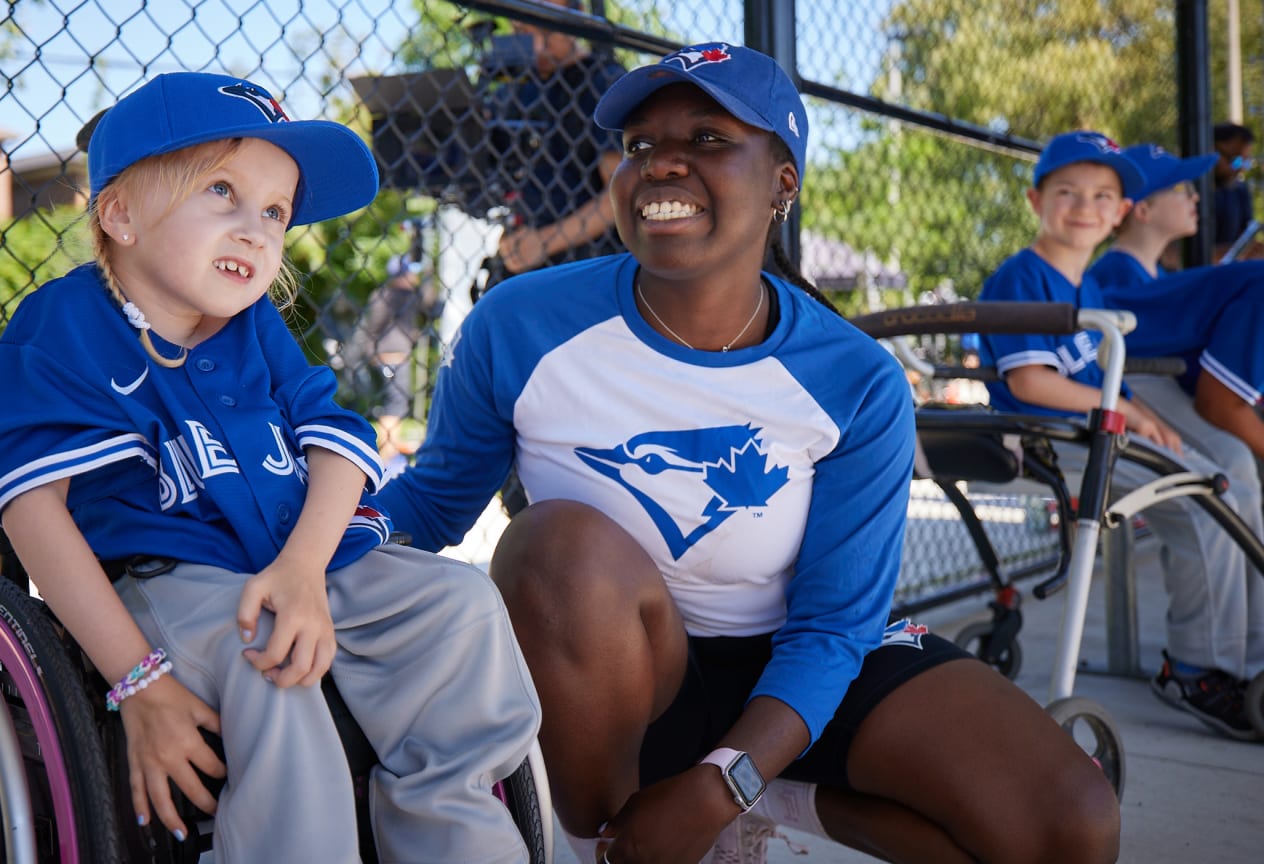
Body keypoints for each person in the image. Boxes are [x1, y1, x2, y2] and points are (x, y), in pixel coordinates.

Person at [381, 44, 1120, 864]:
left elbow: (836, 627)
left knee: (1070, 826)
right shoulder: (520, 322)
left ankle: (763, 797)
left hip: (804, 669)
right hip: (630, 684)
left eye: (706, 139)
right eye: (638, 147)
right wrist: (289, 551)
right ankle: (603, 833)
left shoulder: (855, 379)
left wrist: (723, 782)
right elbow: (432, 505)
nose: (661, 163)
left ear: (783, 184)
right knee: (557, 548)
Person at [0, 72, 540, 862]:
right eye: (222, 192)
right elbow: (33, 512)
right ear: (120, 213)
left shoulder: (253, 324)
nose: (256, 231)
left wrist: (307, 569)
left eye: (274, 212)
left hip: (305, 566)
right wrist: (138, 684)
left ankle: (451, 828)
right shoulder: (64, 322)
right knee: (270, 663)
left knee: (462, 604)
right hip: (169, 578)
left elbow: (341, 448)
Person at [979, 131, 1264, 742]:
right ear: (1035, 201)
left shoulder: (1092, 287)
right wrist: (1129, 415)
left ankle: (1242, 660)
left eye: (1101, 195)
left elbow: (1101, 374)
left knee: (1219, 484)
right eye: (1067, 192)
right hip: (1050, 439)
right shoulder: (1022, 275)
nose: (1084, 206)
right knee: (1198, 505)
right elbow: (1032, 382)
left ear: (1118, 212)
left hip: (1093, 432)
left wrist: (1143, 414)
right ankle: (1198, 669)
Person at [1089, 143, 1264, 463]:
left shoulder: (1155, 273)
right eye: (1182, 189)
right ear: (1141, 210)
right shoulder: (1116, 271)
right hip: (1128, 387)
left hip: (1160, 389)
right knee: (1231, 459)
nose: (1196, 197)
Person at [486, 0, 627, 276]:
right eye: (521, 30)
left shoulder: (604, 82)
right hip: (525, 260)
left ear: (577, 20)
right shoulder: (514, 90)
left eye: (548, 32)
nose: (537, 46)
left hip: (591, 264)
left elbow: (620, 192)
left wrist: (544, 242)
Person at [351, 252, 441, 466]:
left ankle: (388, 453)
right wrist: (371, 351)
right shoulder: (386, 295)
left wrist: (428, 279)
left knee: (397, 403)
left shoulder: (409, 296)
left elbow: (434, 308)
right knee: (394, 404)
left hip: (398, 356)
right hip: (389, 355)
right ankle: (386, 455)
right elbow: (373, 325)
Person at [1212, 122, 1258, 262]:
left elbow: (1246, 239)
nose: (1240, 168)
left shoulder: (1239, 191)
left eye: (1246, 162)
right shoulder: (1187, 193)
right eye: (1234, 160)